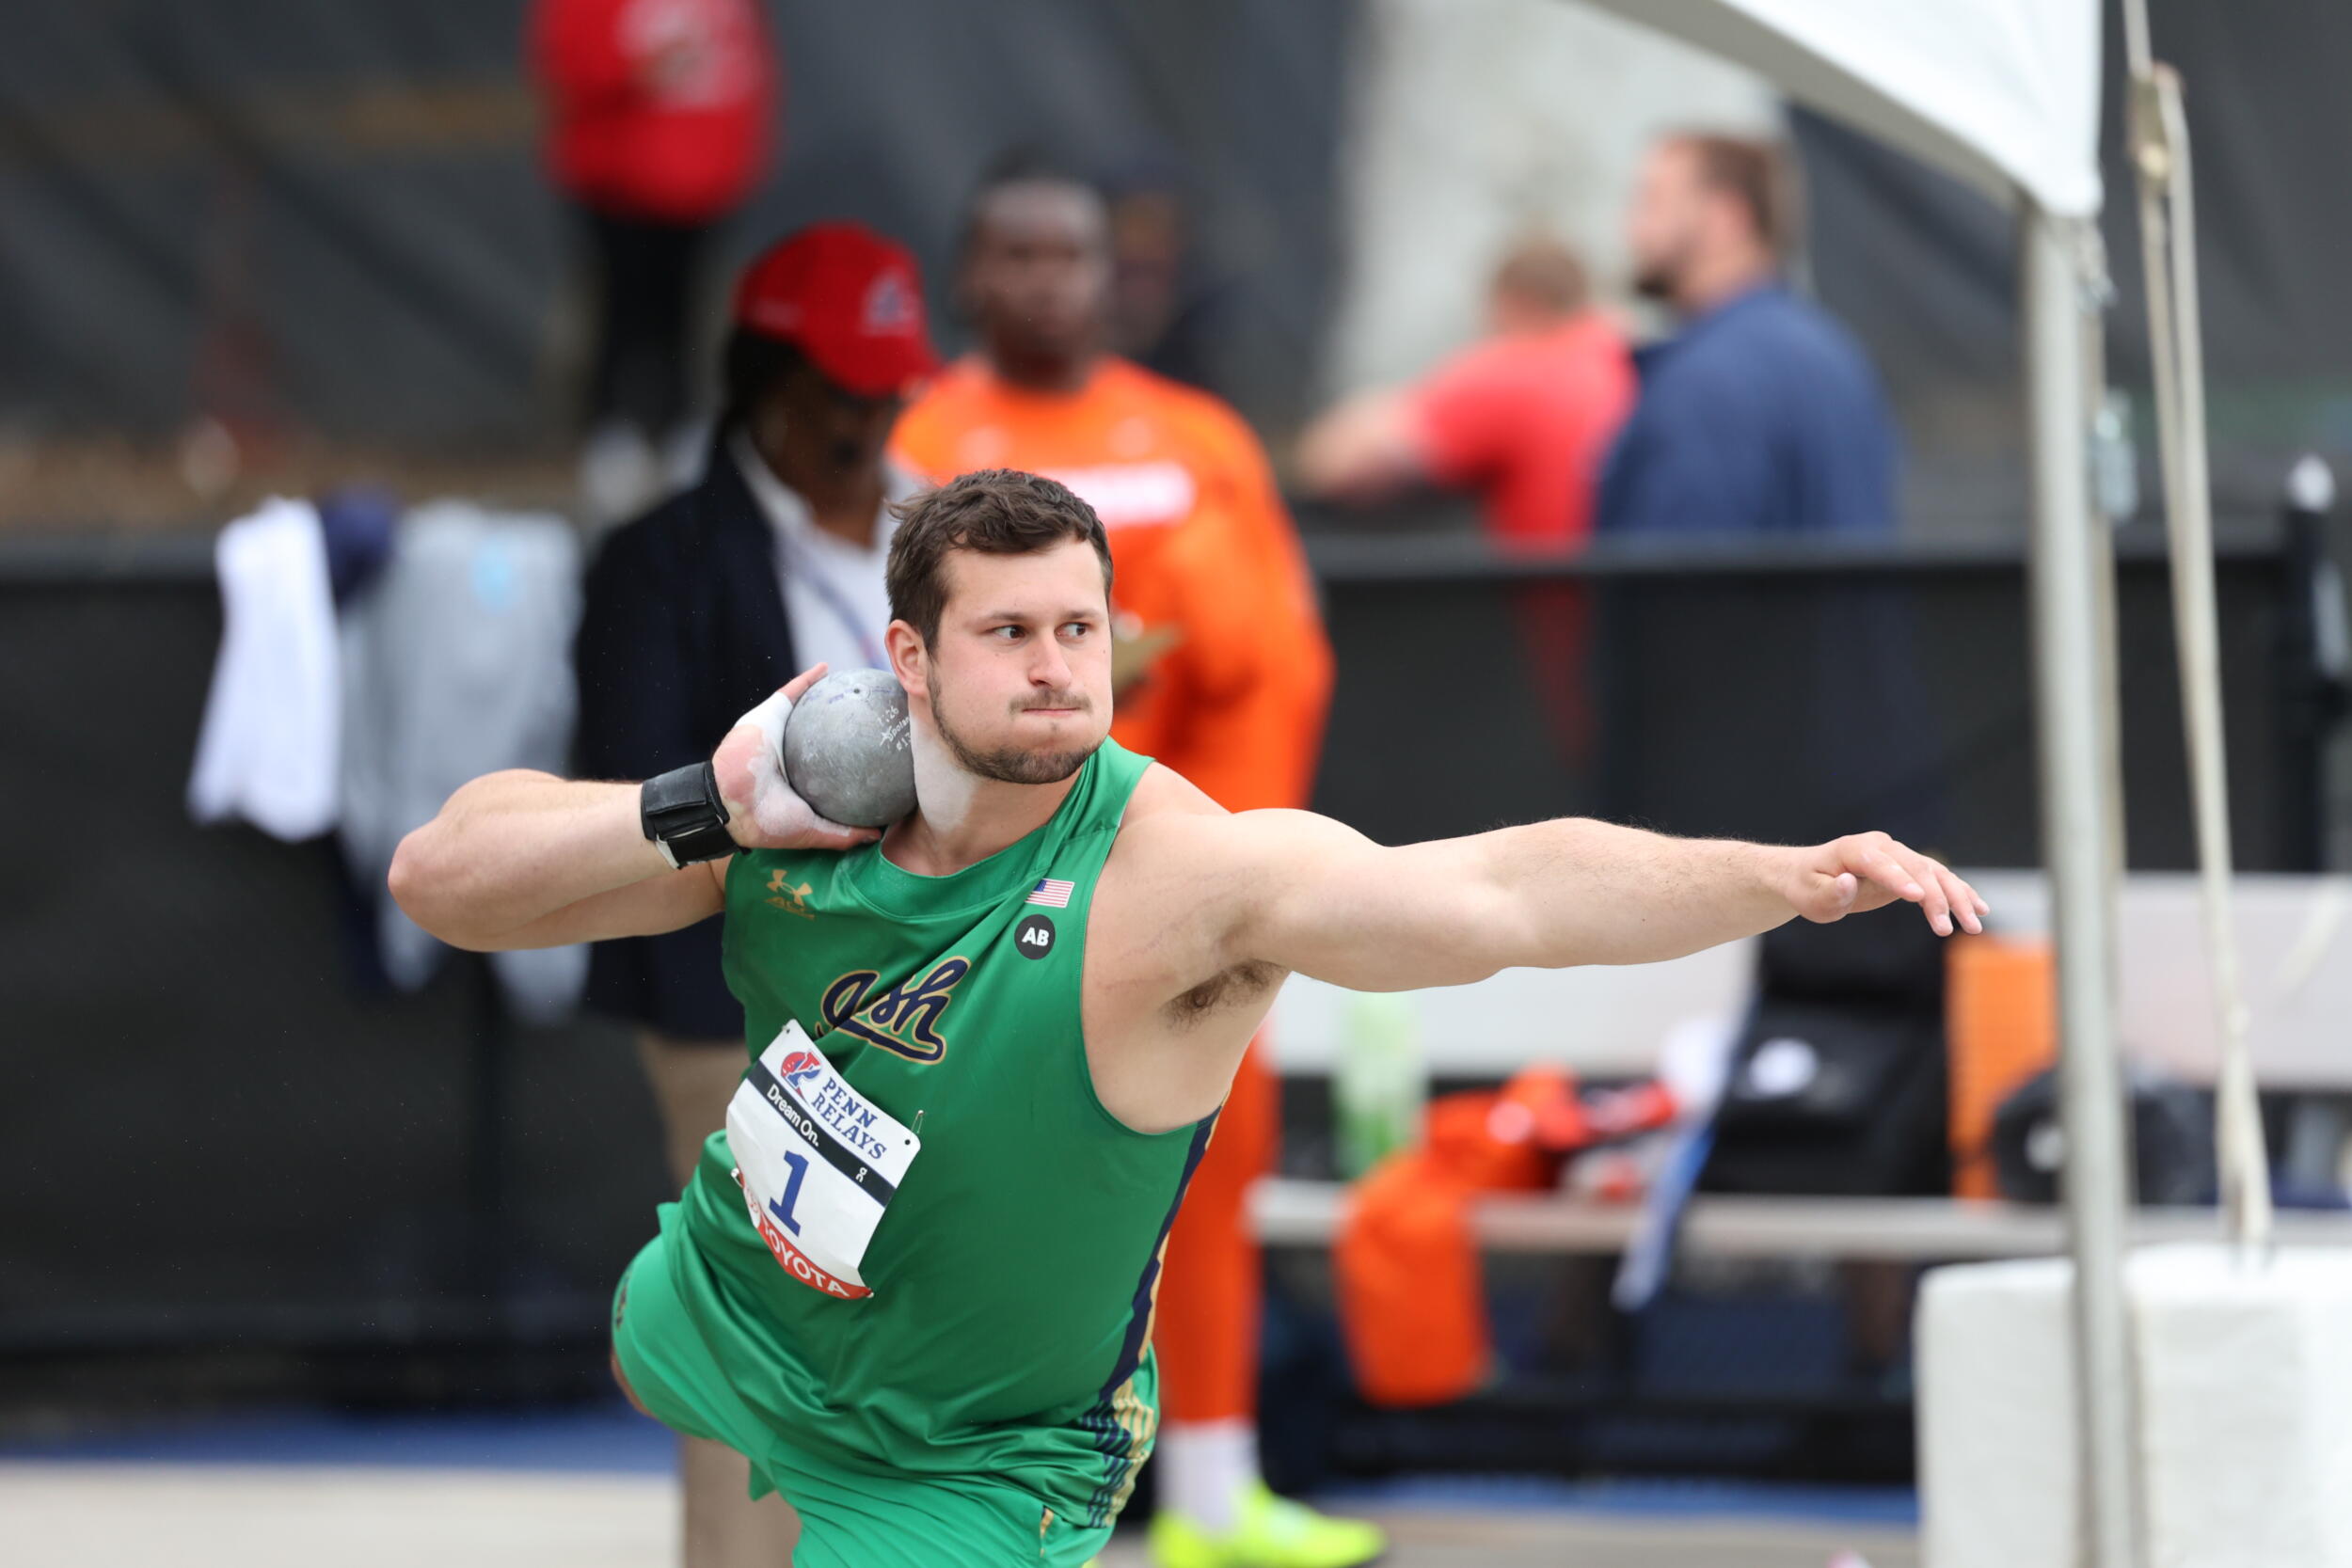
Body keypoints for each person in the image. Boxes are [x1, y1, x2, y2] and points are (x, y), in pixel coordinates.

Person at [389, 467, 1988, 1568]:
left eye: (1077, 630)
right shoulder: (801, 815)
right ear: (911, 661)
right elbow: (446, 875)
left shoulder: (1184, 884)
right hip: (721, 1322)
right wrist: (705, 801)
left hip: (969, 1460)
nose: (1054, 669)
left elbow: (1506, 890)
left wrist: (1778, 875)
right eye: (1006, 634)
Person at [889, 158, 1355, 1568]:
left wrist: (1236, 879)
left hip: (1174, 875)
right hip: (981, 895)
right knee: (967, 1183)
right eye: (1015, 256)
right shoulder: (917, 435)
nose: (1044, 281)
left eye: (1068, 255)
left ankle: (1213, 1490)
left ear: (1114, 273)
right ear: (971, 276)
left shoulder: (1200, 436)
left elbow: (1281, 658)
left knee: (1215, 1162)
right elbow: (888, 662)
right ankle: (955, 1478)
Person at [571, 220, 936, 1568]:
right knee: (754, 1334)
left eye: (894, 385)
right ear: (768, 387)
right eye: (849, 389)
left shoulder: (941, 523)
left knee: (907, 1331)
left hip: (931, 1000)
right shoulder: (663, 558)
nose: (876, 416)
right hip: (741, 1006)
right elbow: (642, 805)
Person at [529, 0, 779, 523]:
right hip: (616, 182)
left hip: (701, 183)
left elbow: (741, 72)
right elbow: (572, 64)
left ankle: (682, 438)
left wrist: (728, 163)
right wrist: (640, 69)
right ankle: (611, 438)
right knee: (622, 312)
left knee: (684, 313)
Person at [1598, 133, 1899, 537]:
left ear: (1726, 217)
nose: (1634, 230)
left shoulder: (1705, 382)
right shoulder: (1834, 351)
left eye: (1651, 203)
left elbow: (1678, 581)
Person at [1295, 234, 1635, 551]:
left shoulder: (1516, 369)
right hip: (1635, 594)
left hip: (1569, 603)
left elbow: (1336, 465)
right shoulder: (1626, 354)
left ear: (1512, 305)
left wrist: (1395, 400)